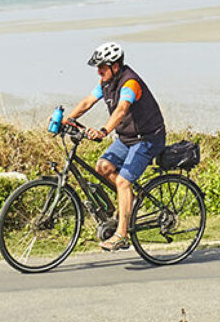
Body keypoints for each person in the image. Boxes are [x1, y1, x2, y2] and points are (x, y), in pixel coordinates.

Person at [65, 41, 166, 251]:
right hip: (127, 138)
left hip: (147, 138)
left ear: (115, 66)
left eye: (102, 67)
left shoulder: (130, 84)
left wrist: (103, 131)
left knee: (122, 182)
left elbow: (121, 109)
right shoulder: (106, 82)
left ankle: (122, 234)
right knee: (102, 167)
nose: (98, 72)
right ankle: (131, 201)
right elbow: (87, 102)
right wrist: (67, 119)